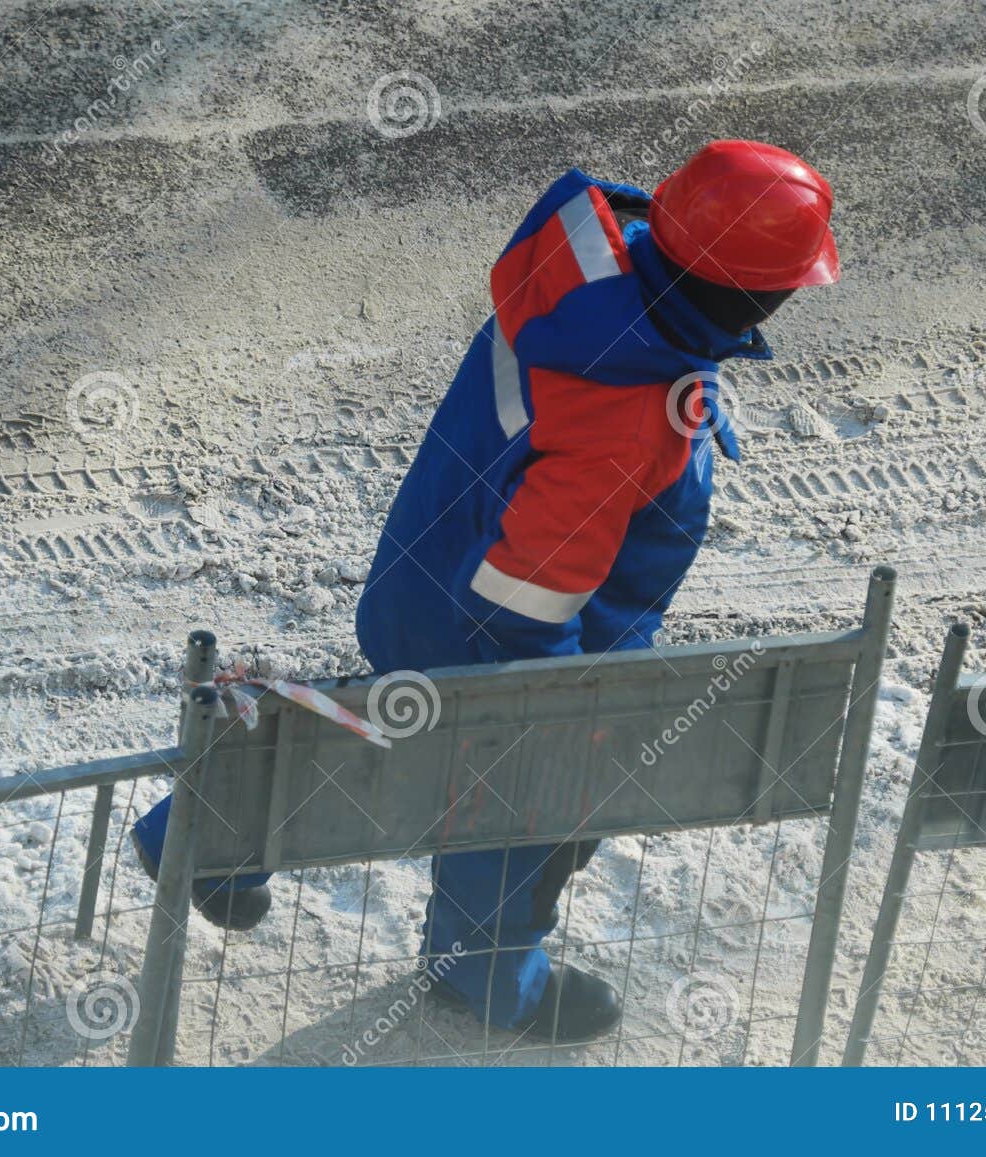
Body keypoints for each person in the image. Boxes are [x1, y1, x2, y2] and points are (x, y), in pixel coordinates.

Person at [132, 139, 841, 1042]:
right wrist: (568, 713)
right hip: (504, 644)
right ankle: (488, 984)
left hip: (425, 573)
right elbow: (525, 599)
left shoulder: (589, 271)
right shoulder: (624, 421)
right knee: (523, 818)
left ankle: (202, 828)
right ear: (757, 300)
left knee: (395, 745)